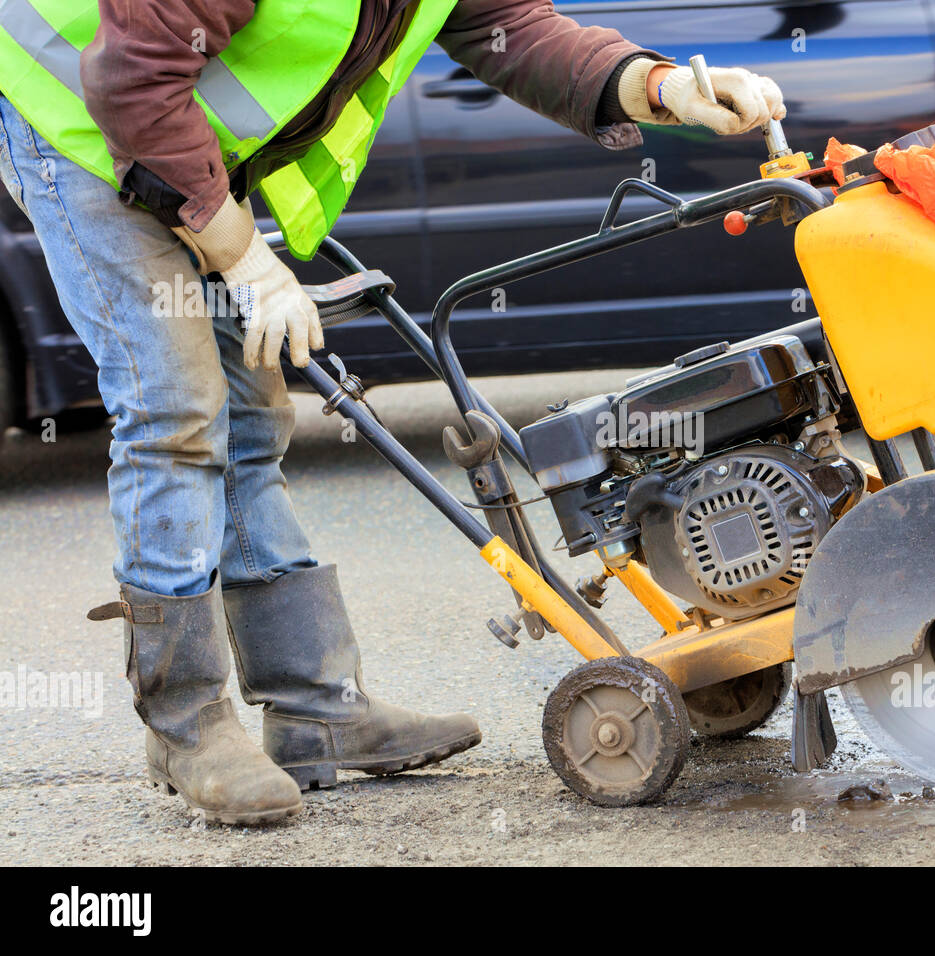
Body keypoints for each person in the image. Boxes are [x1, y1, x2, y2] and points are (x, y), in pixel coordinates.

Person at [0, 0, 785, 825]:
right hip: (79, 120)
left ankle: (316, 709)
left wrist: (661, 88)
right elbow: (131, 82)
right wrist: (245, 260)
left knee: (249, 415)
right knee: (175, 409)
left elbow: (508, 29)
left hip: (169, 126)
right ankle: (186, 723)